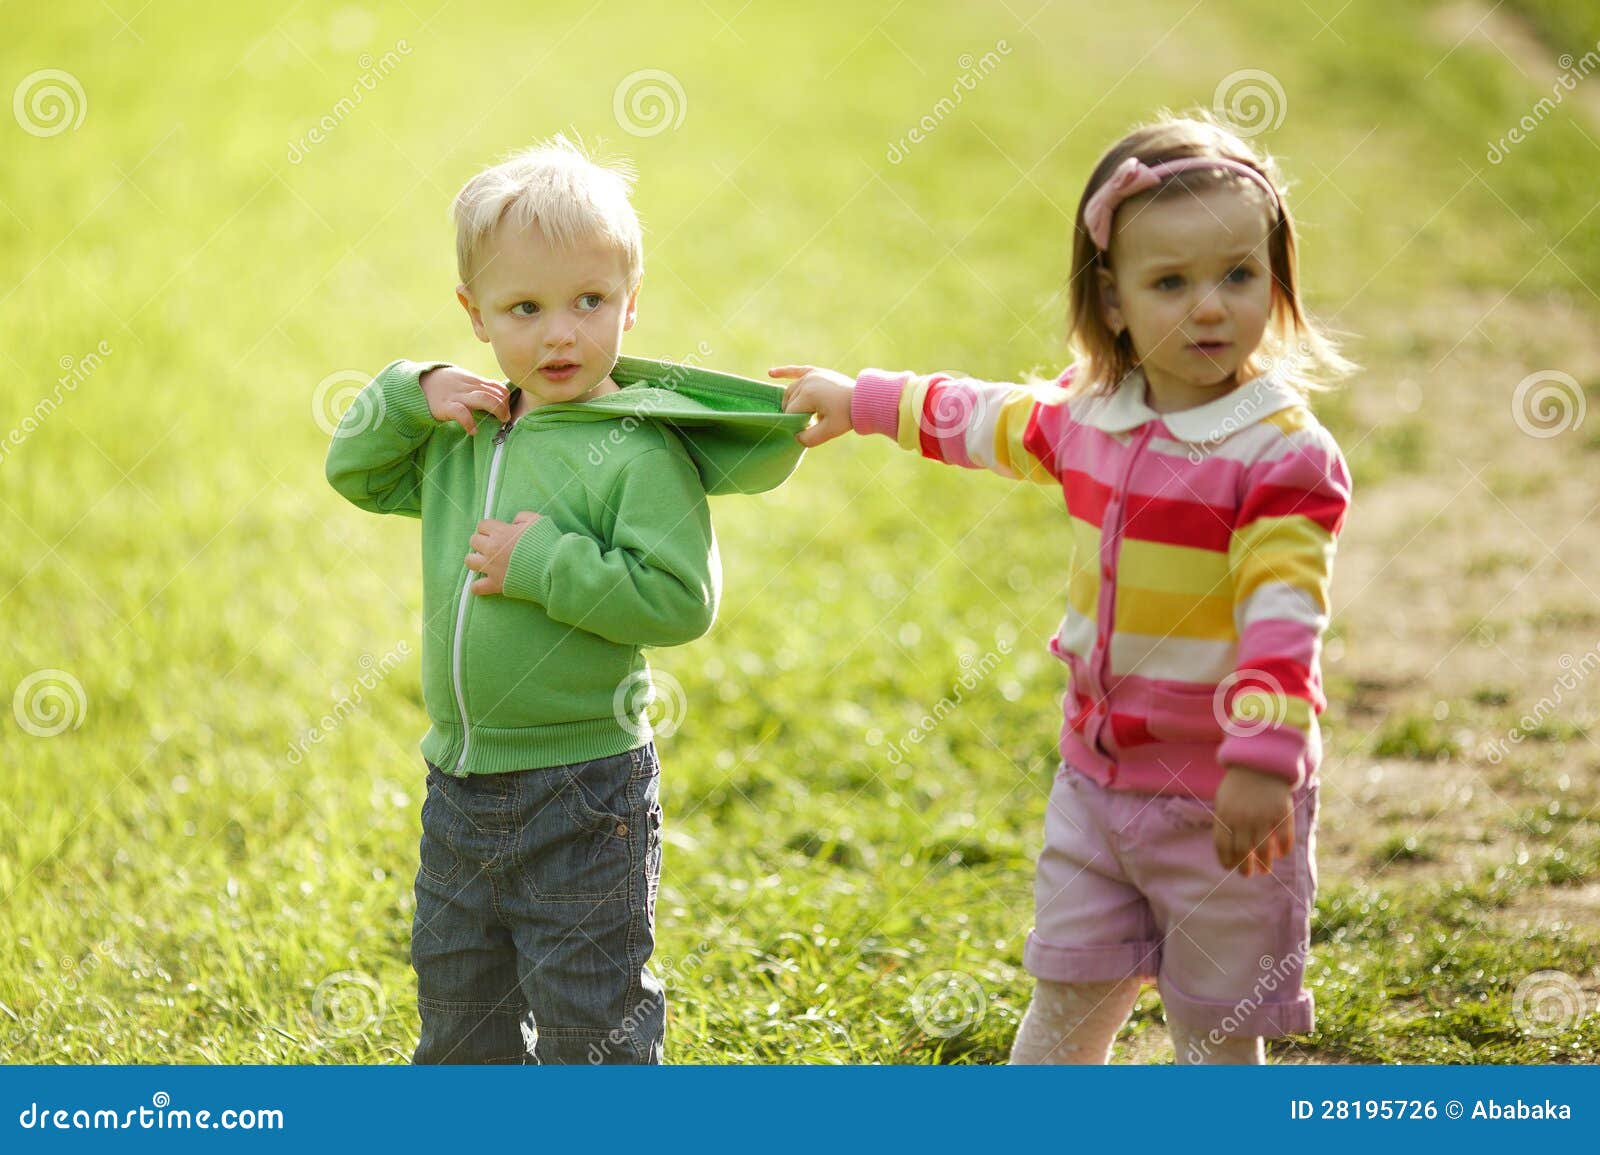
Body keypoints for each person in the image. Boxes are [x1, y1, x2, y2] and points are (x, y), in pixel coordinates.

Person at [773, 113, 1353, 1064]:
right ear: (1114, 300)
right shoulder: (1091, 419)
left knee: (1216, 1037)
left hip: (1222, 797)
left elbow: (1285, 618)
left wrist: (1263, 755)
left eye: (1239, 276)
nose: (1210, 307)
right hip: (1094, 785)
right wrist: (862, 399)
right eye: (1171, 282)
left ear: (1276, 281)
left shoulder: (1281, 456)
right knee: (1067, 1003)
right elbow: (978, 415)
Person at [326, 136, 805, 1063]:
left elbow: (679, 599)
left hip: (586, 789)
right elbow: (353, 472)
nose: (560, 334)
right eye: (525, 307)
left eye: (591, 302)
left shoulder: (637, 447)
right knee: (460, 1006)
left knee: (593, 1012)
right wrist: (405, 390)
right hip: (460, 781)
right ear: (474, 314)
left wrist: (545, 562)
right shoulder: (466, 426)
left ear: (633, 301)